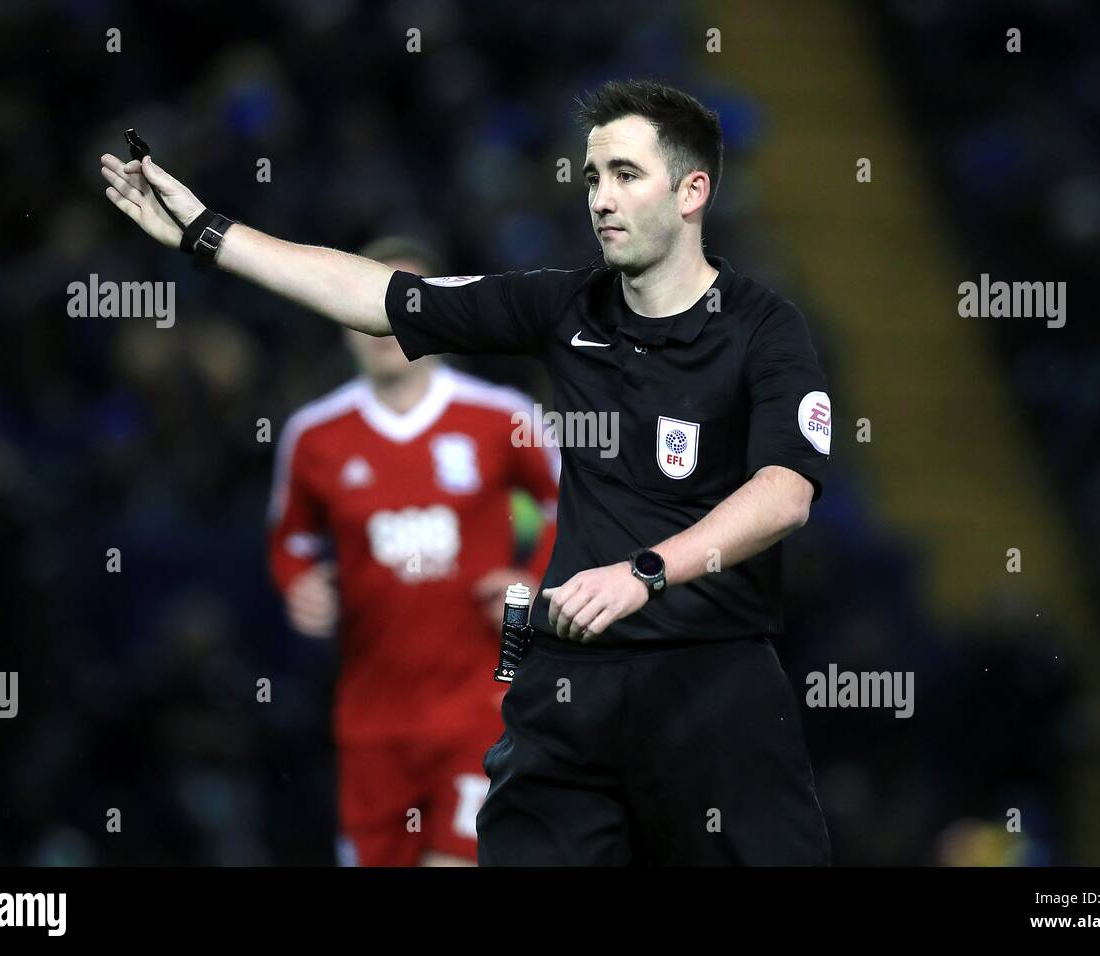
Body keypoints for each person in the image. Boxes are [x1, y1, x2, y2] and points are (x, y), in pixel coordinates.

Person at [101, 78, 833, 865]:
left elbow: (785, 494)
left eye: (626, 174)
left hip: (712, 678)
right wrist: (210, 233)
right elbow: (383, 297)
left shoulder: (765, 329)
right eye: (591, 177)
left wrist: (647, 571)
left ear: (693, 191)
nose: (600, 198)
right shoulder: (563, 308)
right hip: (568, 681)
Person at [267, 235, 559, 866]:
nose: (384, 320)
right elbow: (289, 539)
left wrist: (534, 583)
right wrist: (299, 585)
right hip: (370, 716)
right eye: (369, 301)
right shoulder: (314, 436)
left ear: (442, 318)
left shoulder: (500, 417)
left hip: (480, 703)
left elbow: (571, 504)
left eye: (407, 303)